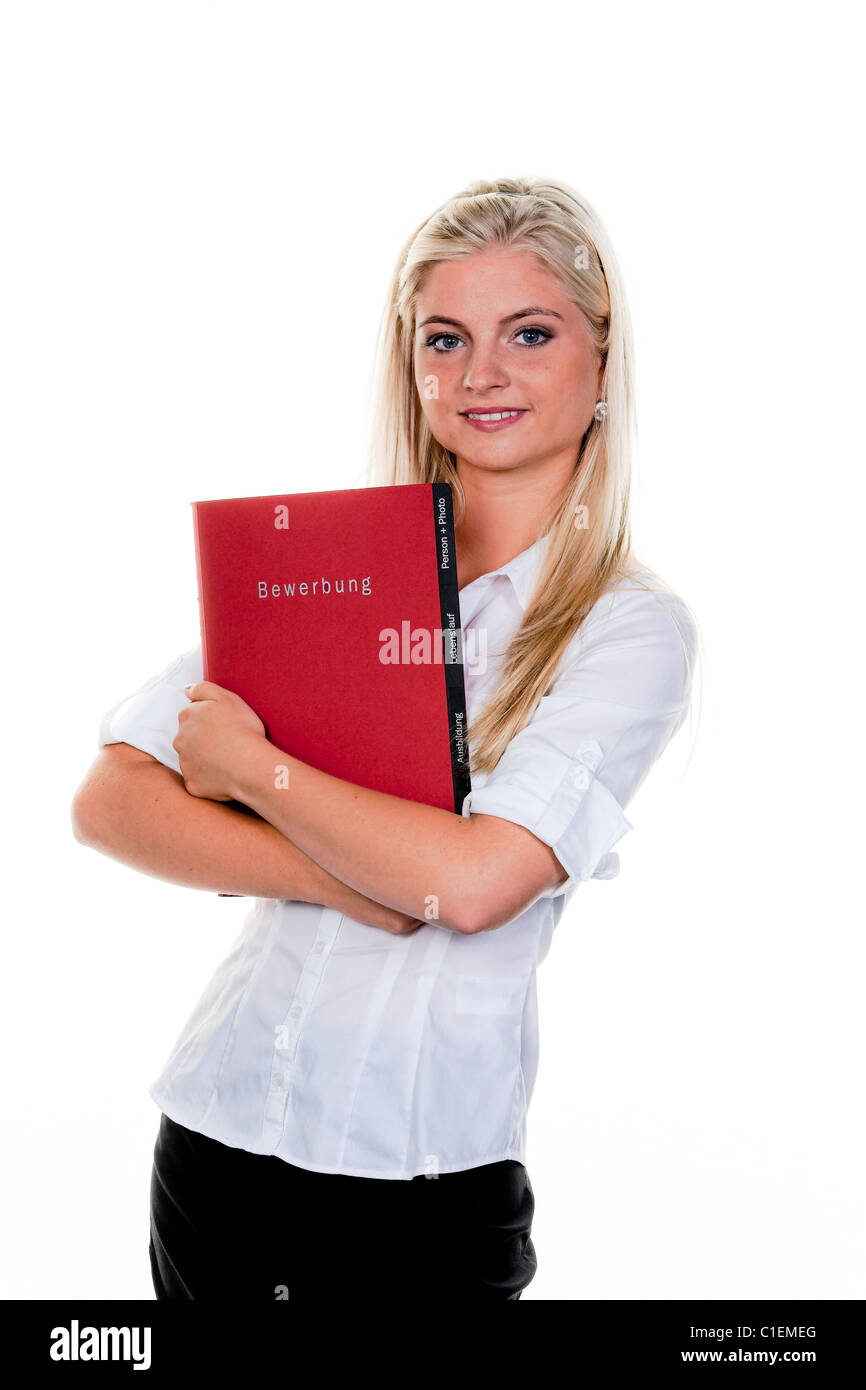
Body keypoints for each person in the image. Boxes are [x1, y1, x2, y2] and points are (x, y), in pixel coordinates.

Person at [71, 175, 700, 1302]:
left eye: (530, 333)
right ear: (410, 366)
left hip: (417, 1200)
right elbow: (111, 797)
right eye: (444, 339)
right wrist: (340, 874)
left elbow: (470, 886)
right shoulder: (334, 566)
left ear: (601, 363)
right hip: (215, 1145)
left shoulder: (626, 627)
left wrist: (252, 772)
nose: (481, 375)